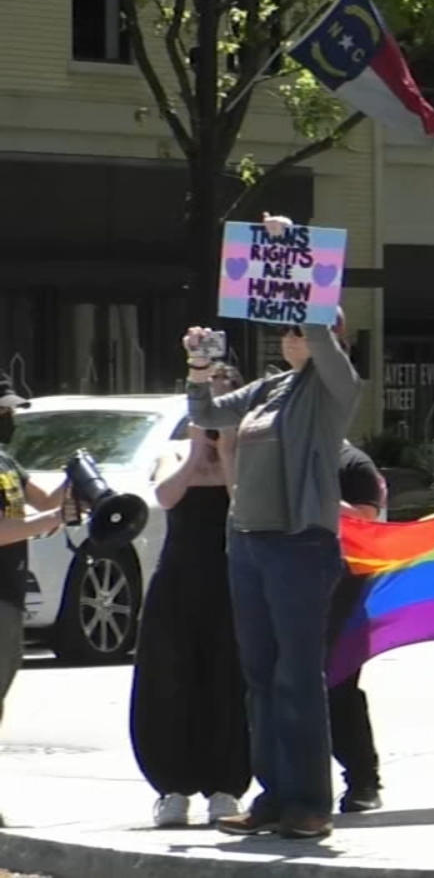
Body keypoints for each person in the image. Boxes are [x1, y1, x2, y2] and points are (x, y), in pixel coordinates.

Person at [184, 248, 362, 841]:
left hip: (300, 545)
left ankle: (311, 802)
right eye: (286, 330)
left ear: (332, 335)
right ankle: (274, 794)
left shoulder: (333, 388)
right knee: (260, 674)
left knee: (297, 675)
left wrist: (297, 258)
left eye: (305, 329)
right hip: (250, 544)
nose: (294, 337)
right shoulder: (270, 389)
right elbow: (208, 413)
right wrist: (199, 367)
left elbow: (321, 329)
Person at [133, 365, 251, 829]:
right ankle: (172, 788)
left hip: (230, 577)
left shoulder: (244, 452)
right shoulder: (175, 450)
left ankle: (226, 785)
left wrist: (225, 451)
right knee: (170, 678)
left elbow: (240, 496)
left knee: (227, 678)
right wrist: (198, 448)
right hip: (179, 577)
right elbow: (165, 496)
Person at [0, 374, 79, 829]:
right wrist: (47, 519)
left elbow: (45, 499)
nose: (8, 418)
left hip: (9, 597)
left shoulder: (7, 460)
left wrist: (78, 480)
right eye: (2, 410)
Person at [325, 440, 388, 814]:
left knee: (339, 685)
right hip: (291, 582)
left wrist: (315, 488)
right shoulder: (279, 456)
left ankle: (363, 779)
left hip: (345, 591)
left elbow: (364, 522)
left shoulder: (354, 465)